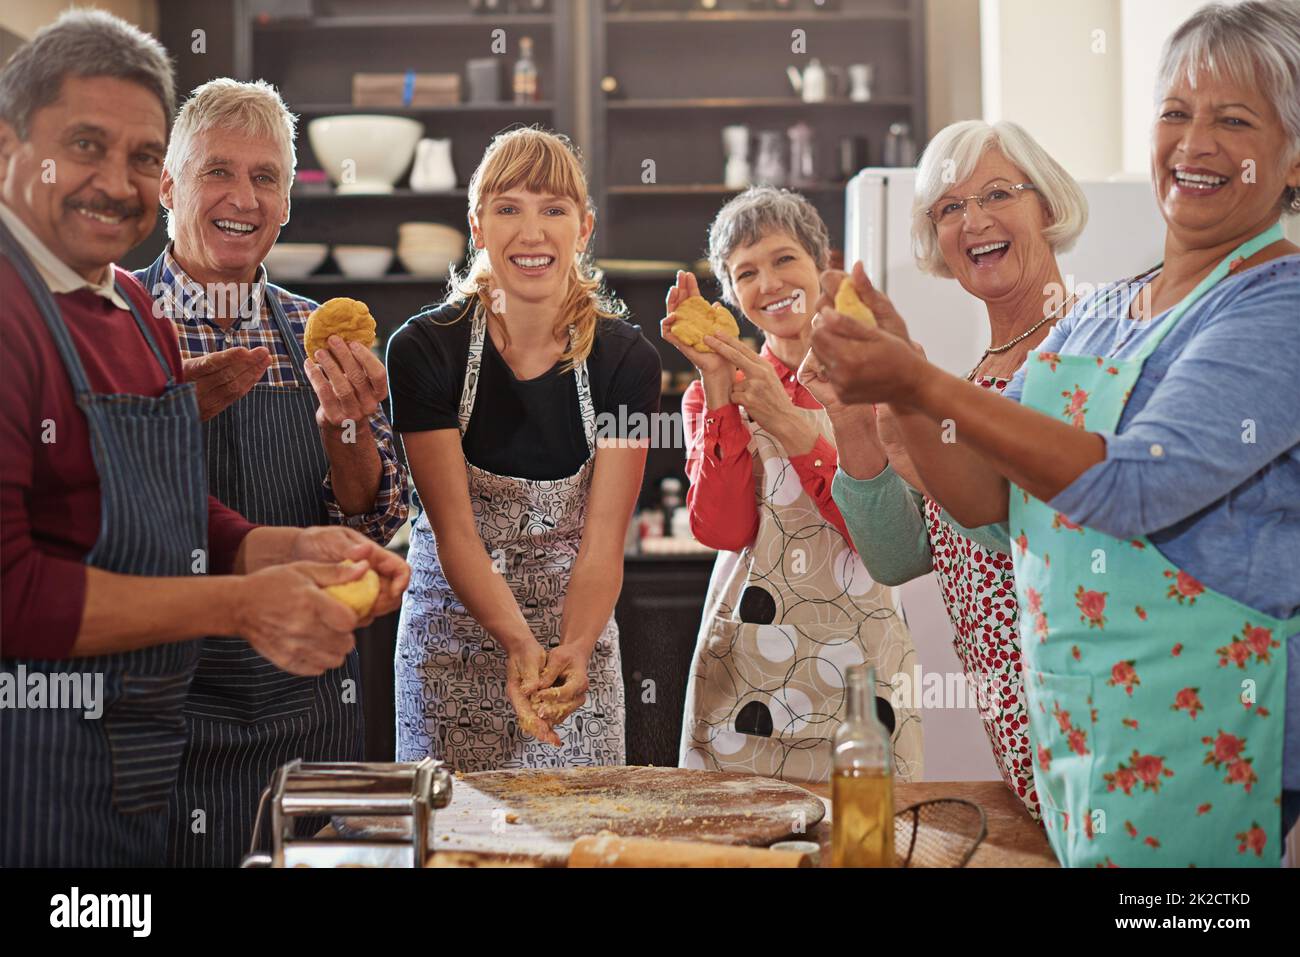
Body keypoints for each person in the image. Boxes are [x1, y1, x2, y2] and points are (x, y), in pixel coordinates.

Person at [810, 0, 1300, 866]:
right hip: (1081, 729)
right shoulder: (1102, 317)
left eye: (1235, 119)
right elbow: (987, 504)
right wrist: (908, 390)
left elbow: (1132, 486)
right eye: (1175, 113)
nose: (1195, 144)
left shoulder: (1276, 305)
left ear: (1293, 156)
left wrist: (917, 379)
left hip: (1208, 727)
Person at [0, 9, 408, 867]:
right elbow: (16, 588)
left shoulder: (125, 309)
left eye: (139, 156)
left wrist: (287, 544)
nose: (116, 182)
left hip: (215, 737)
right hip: (66, 750)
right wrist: (241, 601)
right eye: (85, 146)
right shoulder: (16, 314)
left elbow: (174, 510)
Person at [136, 78, 408, 867]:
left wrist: (343, 426)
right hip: (166, 710)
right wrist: (166, 415)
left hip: (307, 708)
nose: (242, 197)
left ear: (288, 202)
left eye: (265, 178)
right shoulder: (119, 325)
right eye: (217, 171)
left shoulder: (316, 332)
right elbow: (81, 509)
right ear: (168, 187)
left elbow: (368, 520)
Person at [810, 121, 1089, 817]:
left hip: (1084, 705)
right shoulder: (970, 379)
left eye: (998, 193)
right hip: (1014, 729)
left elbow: (1033, 526)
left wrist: (911, 432)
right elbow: (900, 555)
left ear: (1047, 206)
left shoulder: (1082, 350)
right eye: (949, 208)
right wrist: (851, 421)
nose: (975, 221)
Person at [386, 127, 660, 769]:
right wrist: (515, 641)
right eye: (508, 208)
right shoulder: (426, 350)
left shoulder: (625, 360)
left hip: (575, 649)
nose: (532, 233)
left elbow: (602, 542)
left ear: (584, 227)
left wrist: (575, 647)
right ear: (477, 226)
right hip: (448, 645)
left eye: (554, 210)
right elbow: (455, 534)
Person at [667, 186, 922, 784]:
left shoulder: (877, 375)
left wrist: (786, 422)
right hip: (748, 666)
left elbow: (886, 538)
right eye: (746, 273)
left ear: (822, 264)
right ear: (732, 297)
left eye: (785, 259)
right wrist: (723, 392)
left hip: (865, 664)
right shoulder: (710, 393)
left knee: (871, 839)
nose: (770, 283)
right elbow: (722, 529)